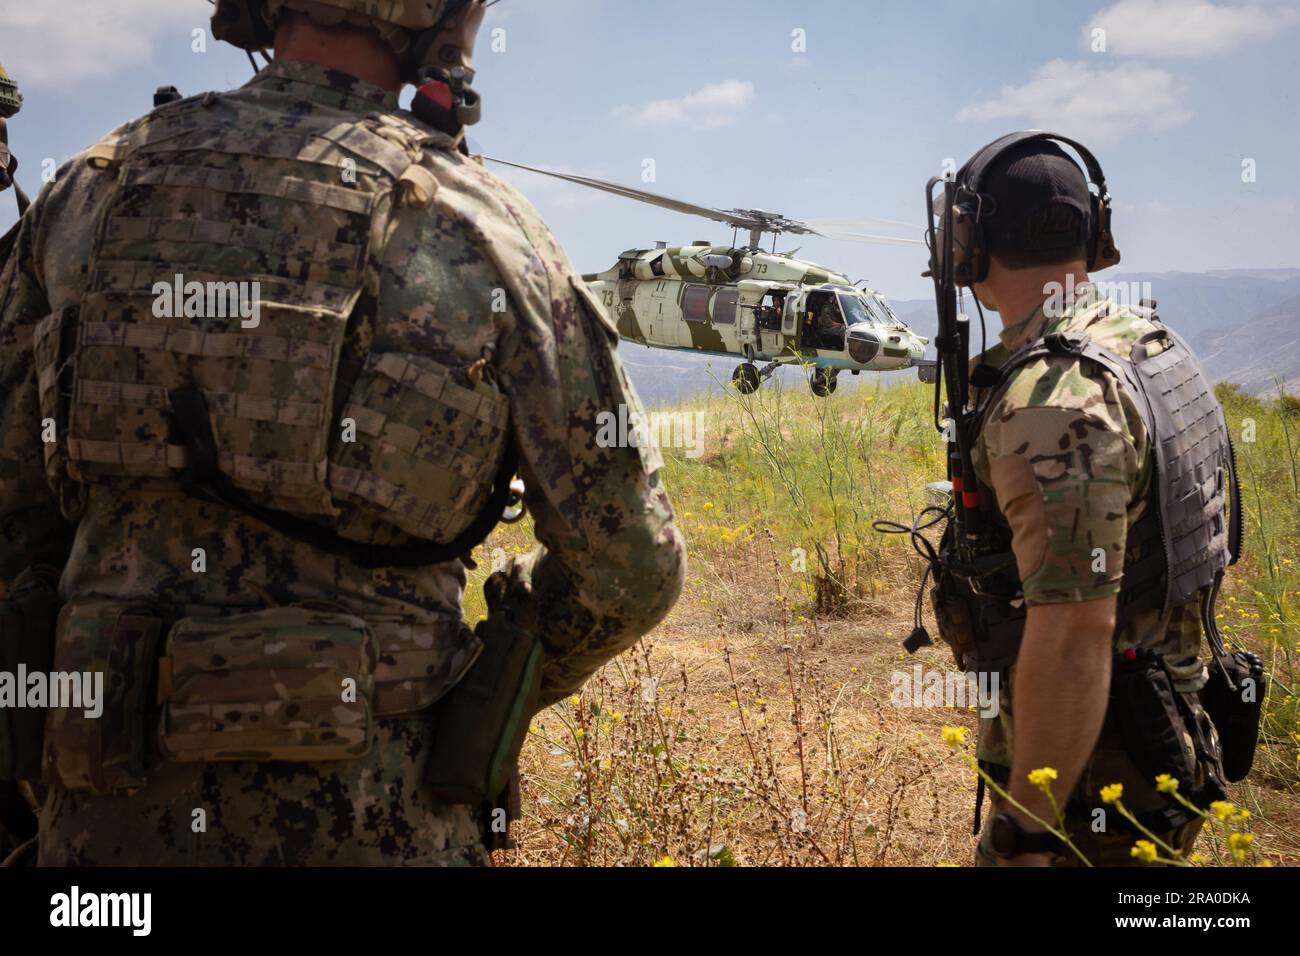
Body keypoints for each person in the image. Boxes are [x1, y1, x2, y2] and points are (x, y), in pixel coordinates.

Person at [0, 0, 685, 866]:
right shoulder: (485, 230)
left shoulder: (86, 191)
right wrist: (480, 686)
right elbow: (631, 568)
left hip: (103, 837)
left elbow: (14, 514)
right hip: (384, 827)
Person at [936, 135, 1235, 866]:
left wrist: (1025, 832)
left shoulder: (1056, 402)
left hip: (1100, 780)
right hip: (1165, 727)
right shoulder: (1144, 340)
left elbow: (1073, 634)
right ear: (1093, 233)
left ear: (970, 239)